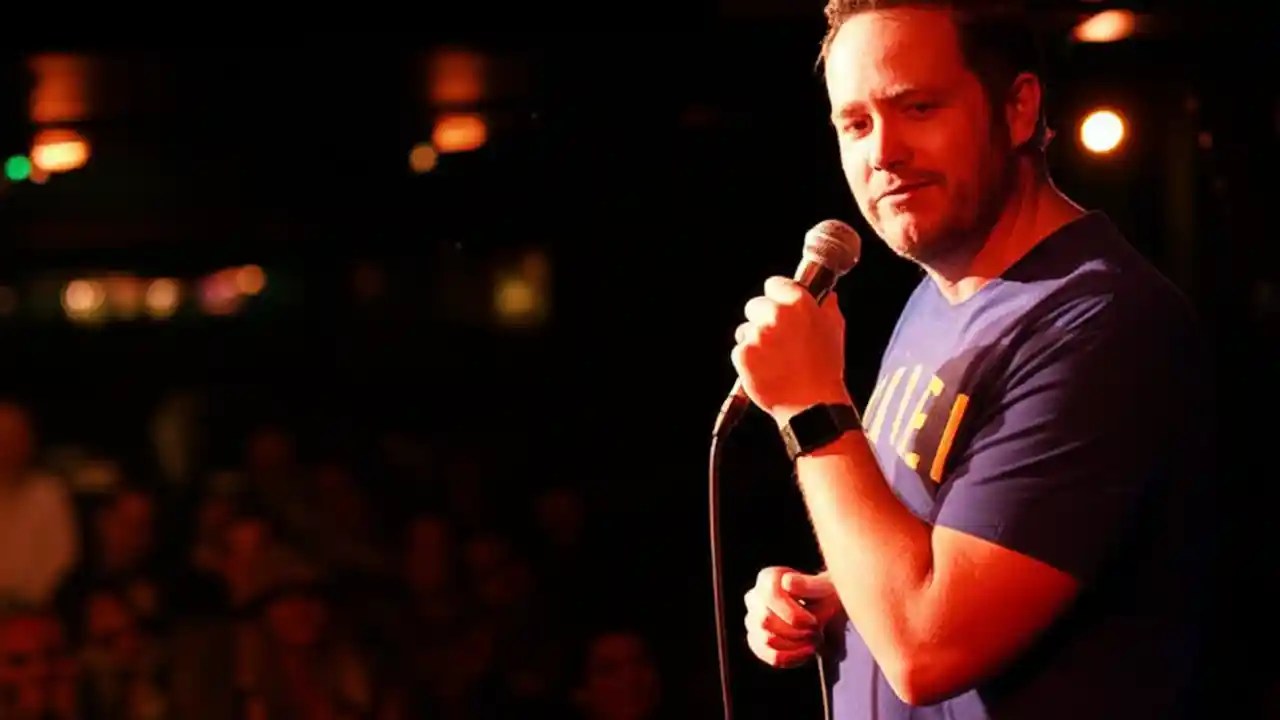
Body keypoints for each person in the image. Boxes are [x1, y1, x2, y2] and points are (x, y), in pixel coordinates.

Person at [733, 1, 1215, 718]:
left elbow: (929, 648)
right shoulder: (939, 294)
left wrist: (811, 409)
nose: (882, 152)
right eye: (856, 124)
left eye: (918, 108)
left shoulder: (1101, 322)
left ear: (1020, 110)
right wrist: (841, 593)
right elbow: (958, 545)